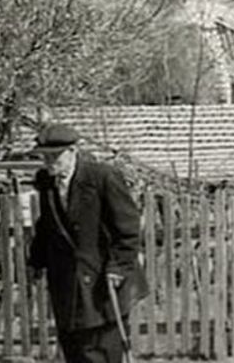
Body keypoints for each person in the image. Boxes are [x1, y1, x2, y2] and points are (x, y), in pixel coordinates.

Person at [28, 123, 149, 363]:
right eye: (44, 157)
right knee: (74, 348)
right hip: (66, 280)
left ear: (73, 151)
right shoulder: (46, 181)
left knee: (101, 349)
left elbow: (128, 227)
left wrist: (119, 266)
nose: (50, 162)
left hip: (103, 280)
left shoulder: (102, 176)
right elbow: (47, 226)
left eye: (55, 156)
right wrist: (36, 261)